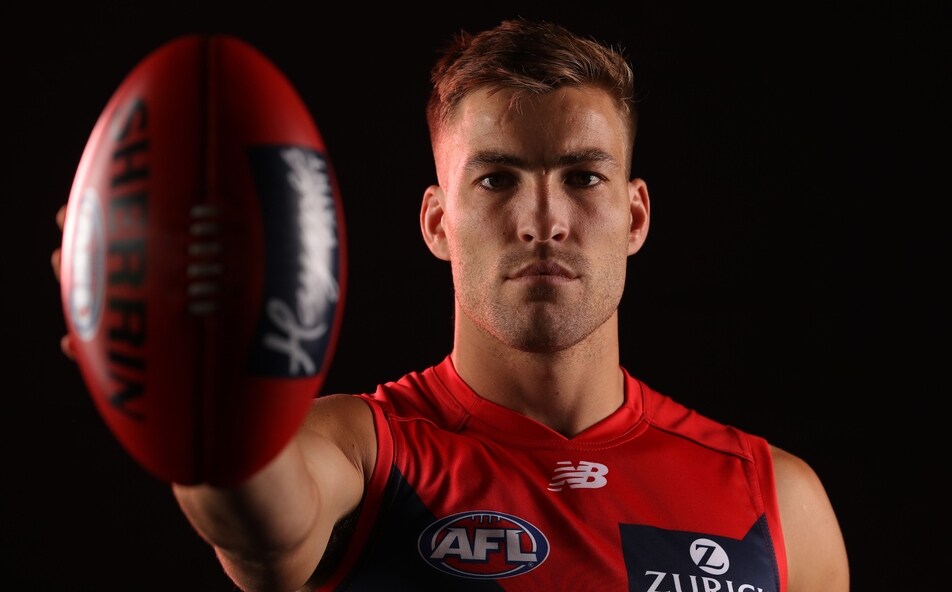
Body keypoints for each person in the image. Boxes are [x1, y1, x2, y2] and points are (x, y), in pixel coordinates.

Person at [52, 18, 849, 592]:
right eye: (497, 179)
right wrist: (197, 390)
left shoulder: (777, 503)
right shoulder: (367, 453)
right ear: (438, 221)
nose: (544, 219)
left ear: (636, 216)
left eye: (583, 176)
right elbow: (264, 526)